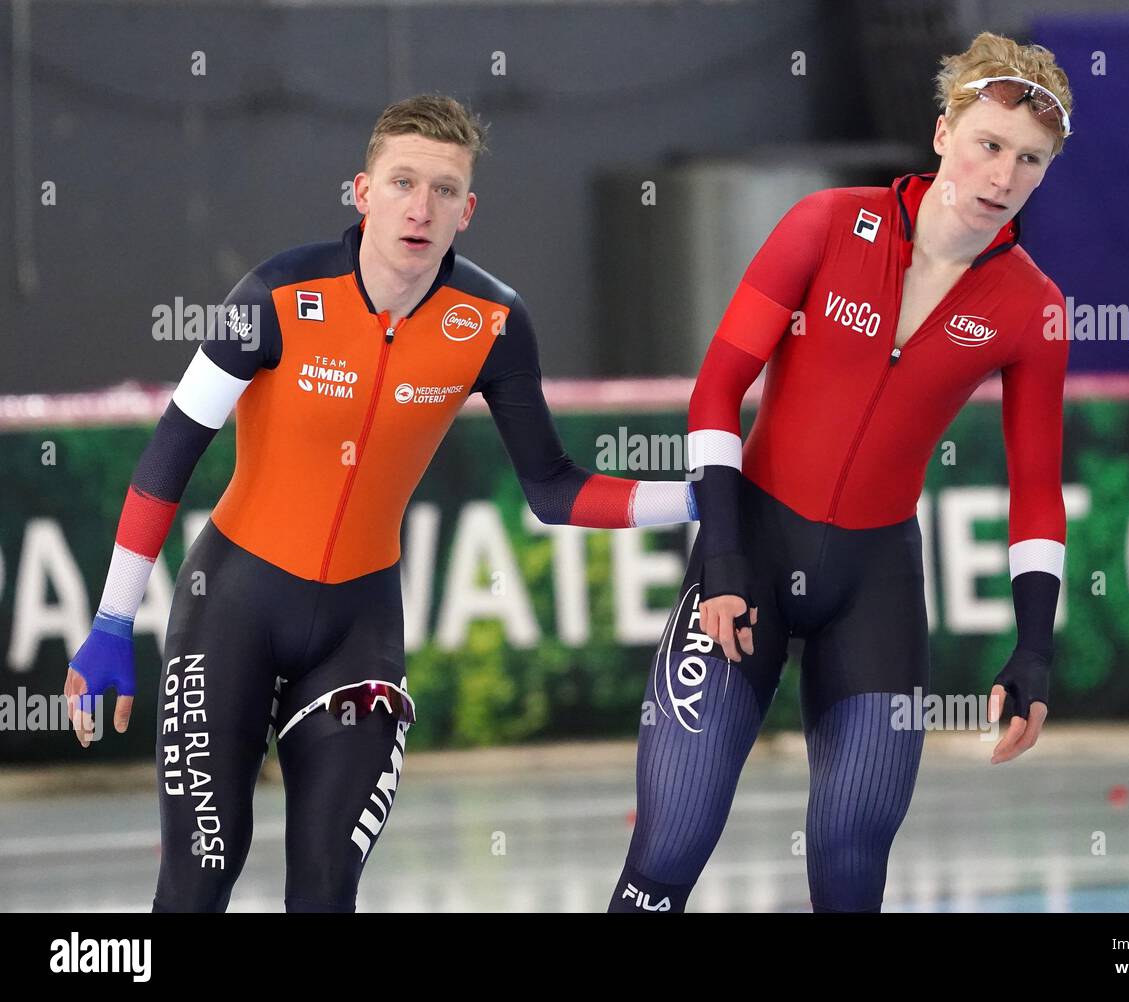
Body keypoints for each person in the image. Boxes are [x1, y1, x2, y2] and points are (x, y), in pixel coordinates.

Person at [65, 94, 698, 913]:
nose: (420, 207)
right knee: (200, 875)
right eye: (402, 182)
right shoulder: (275, 296)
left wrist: (694, 497)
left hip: (357, 630)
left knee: (327, 888)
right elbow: (165, 463)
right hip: (231, 607)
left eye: (443, 190)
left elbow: (553, 489)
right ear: (362, 193)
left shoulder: (493, 323)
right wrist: (114, 622)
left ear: (466, 210)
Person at [609, 32, 1073, 913]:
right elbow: (716, 392)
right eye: (989, 144)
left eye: (1030, 160)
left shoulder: (1033, 308)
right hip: (751, 553)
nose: (1003, 174)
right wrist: (725, 555)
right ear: (943, 135)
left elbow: (1037, 492)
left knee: (851, 856)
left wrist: (1035, 645)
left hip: (876, 587)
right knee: (668, 845)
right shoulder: (826, 223)